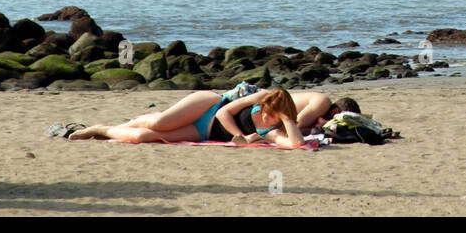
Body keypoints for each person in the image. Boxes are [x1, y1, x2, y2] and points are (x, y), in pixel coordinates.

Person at [68, 87, 307, 147]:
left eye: (272, 114)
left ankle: (100, 129)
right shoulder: (260, 97)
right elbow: (225, 112)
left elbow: (296, 143)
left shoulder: (273, 130)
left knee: (142, 136)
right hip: (208, 106)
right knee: (158, 122)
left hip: (203, 132)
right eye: (264, 108)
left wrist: (288, 120)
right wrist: (239, 136)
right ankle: (131, 120)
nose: (265, 114)